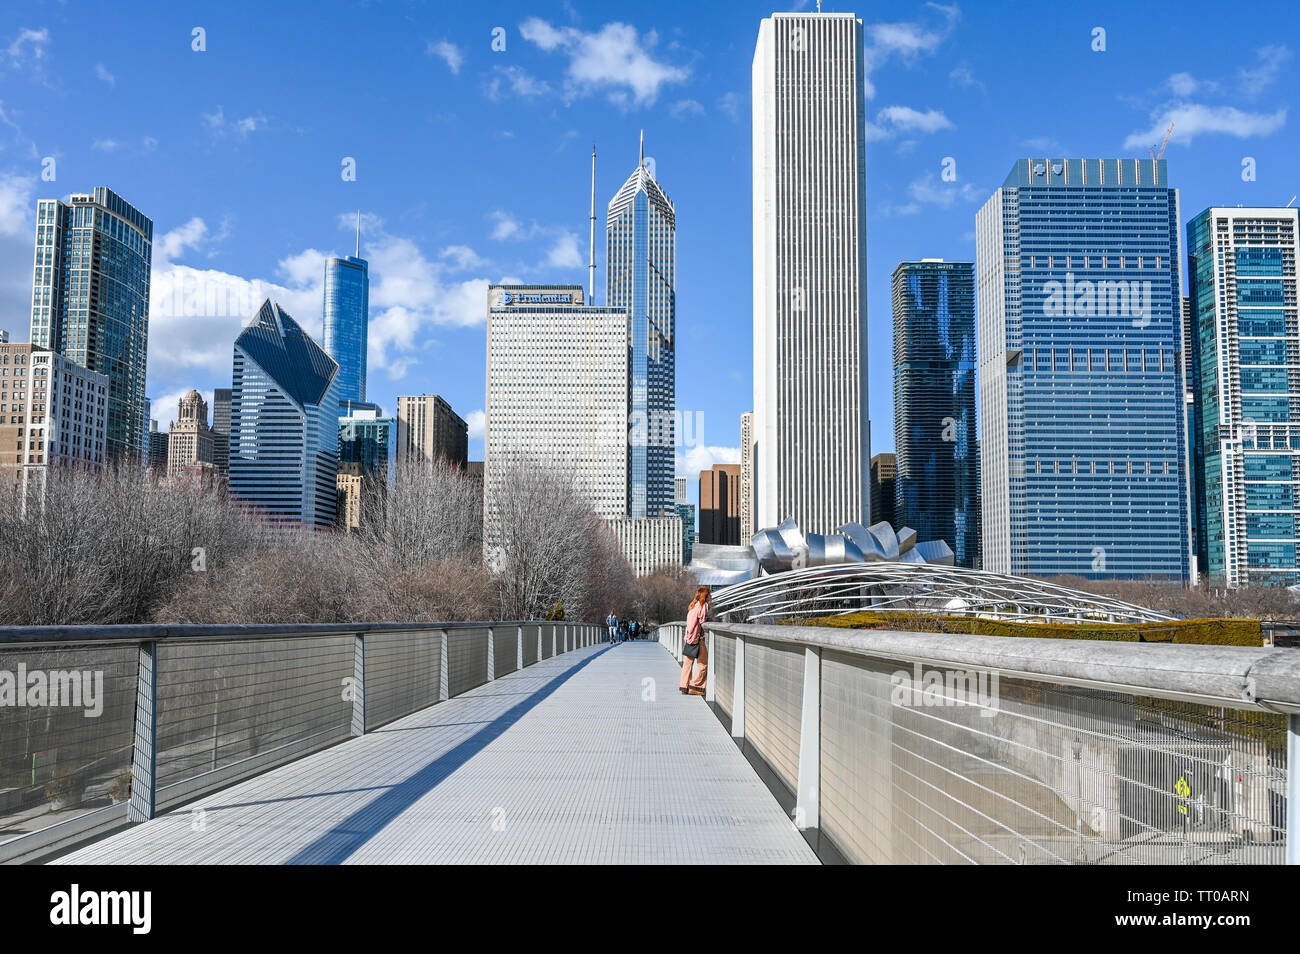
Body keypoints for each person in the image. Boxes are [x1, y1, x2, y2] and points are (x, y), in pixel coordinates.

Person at [680, 586, 710, 696]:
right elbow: (702, 620)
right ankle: (694, 686)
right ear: (705, 596)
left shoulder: (693, 605)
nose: (711, 597)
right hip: (698, 639)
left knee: (687, 664)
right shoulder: (703, 606)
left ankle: (684, 686)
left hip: (689, 638)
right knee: (704, 664)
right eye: (709, 595)